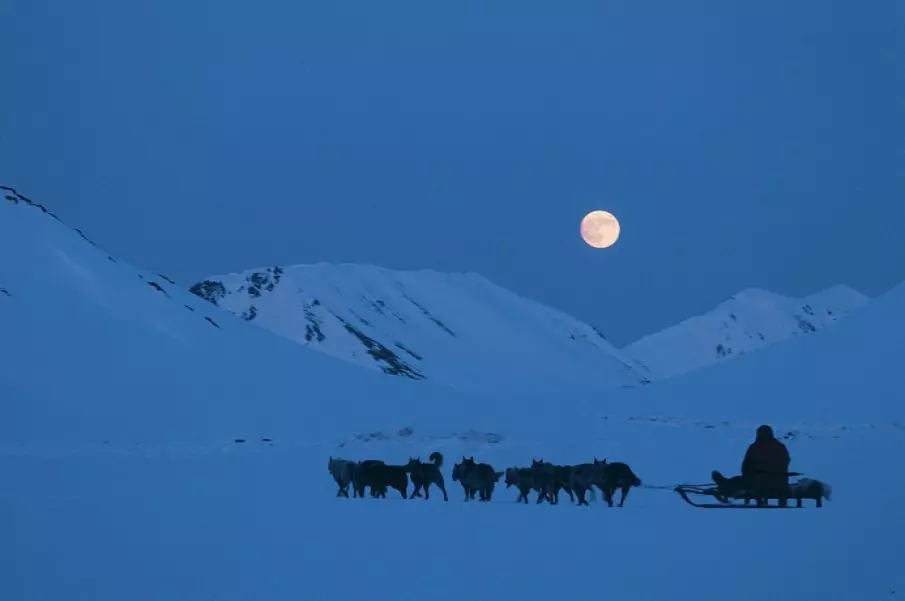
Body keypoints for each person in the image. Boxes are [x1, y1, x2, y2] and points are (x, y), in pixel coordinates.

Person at [741, 424, 791, 506]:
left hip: (759, 483)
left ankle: (725, 485)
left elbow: (746, 466)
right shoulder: (781, 447)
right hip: (780, 484)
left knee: (738, 481)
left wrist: (748, 475)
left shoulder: (755, 447)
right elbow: (786, 461)